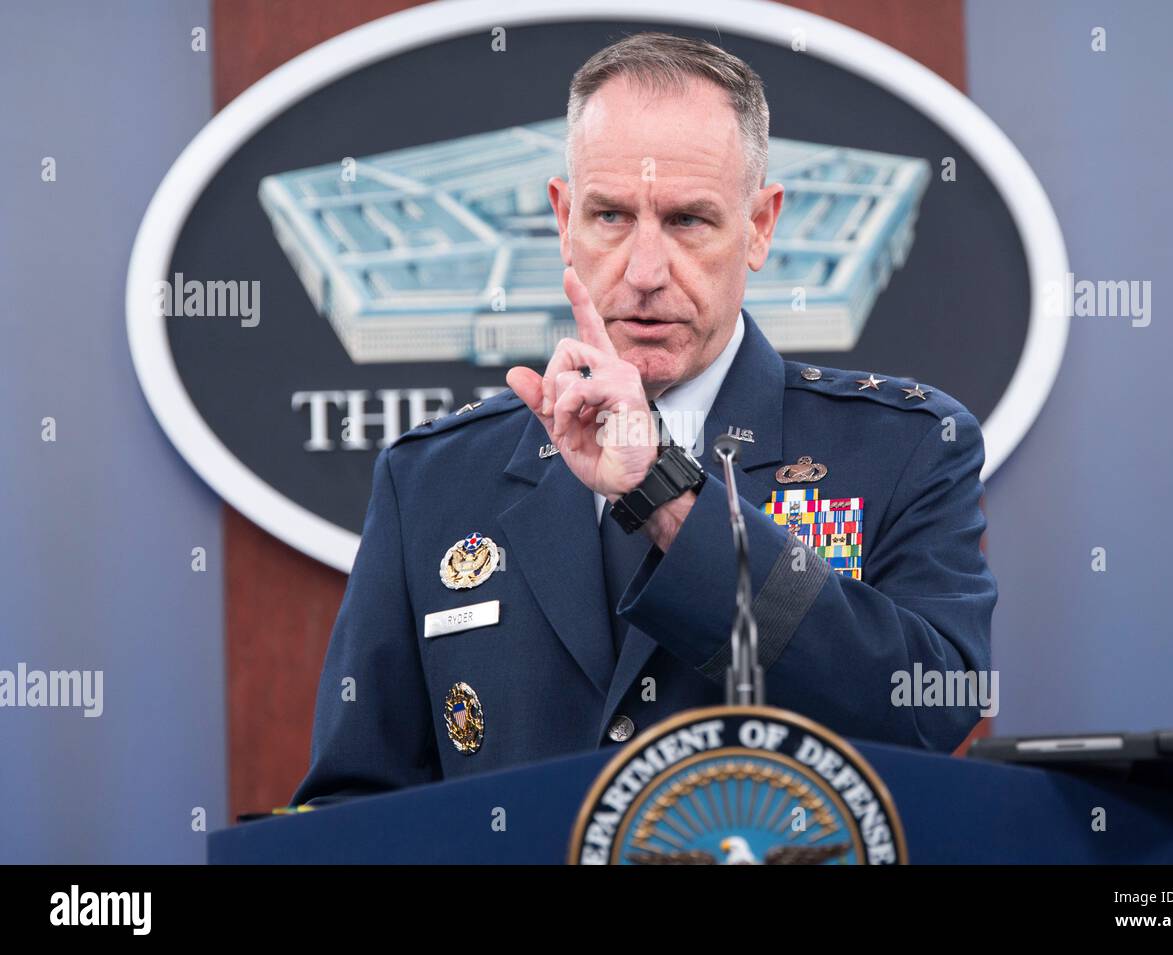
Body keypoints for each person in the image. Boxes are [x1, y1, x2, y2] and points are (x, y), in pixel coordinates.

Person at [292, 32, 996, 806]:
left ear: (760, 225)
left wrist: (666, 496)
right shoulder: (429, 481)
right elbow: (354, 806)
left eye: (689, 220)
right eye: (611, 216)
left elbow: (928, 709)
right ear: (563, 217)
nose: (646, 272)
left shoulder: (902, 448)